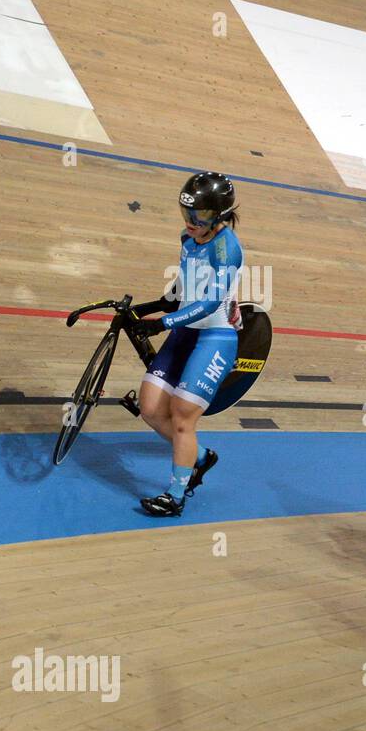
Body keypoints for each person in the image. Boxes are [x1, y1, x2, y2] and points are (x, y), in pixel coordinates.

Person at [127, 171, 244, 517]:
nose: (192, 223)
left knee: (181, 416)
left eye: (201, 216)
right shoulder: (188, 239)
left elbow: (209, 303)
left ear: (219, 215)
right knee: (149, 408)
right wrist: (150, 308)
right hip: (185, 332)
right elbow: (181, 289)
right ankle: (201, 457)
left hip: (215, 337)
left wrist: (163, 323)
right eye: (187, 214)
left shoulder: (227, 249)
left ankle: (175, 495)